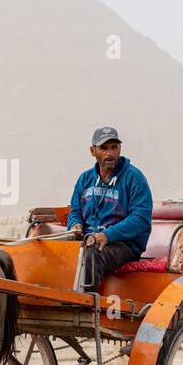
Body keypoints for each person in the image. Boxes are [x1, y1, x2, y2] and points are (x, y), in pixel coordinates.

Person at [66, 126, 153, 294]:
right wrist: (75, 225)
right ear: (92, 151)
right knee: (53, 248)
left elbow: (140, 218)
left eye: (114, 147)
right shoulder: (85, 179)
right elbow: (75, 211)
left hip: (123, 245)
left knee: (92, 253)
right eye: (104, 148)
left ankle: (85, 304)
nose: (110, 153)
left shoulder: (134, 177)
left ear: (120, 148)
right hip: (89, 239)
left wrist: (108, 235)